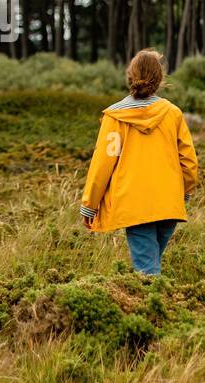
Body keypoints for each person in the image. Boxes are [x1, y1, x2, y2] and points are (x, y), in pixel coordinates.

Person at [80, 49, 198, 276]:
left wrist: (89, 204)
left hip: (135, 205)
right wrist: (184, 193)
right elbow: (189, 160)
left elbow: (104, 162)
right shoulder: (173, 114)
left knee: (147, 272)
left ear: (130, 77)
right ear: (160, 78)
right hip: (169, 202)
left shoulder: (115, 118)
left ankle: (151, 309)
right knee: (151, 265)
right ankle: (155, 306)